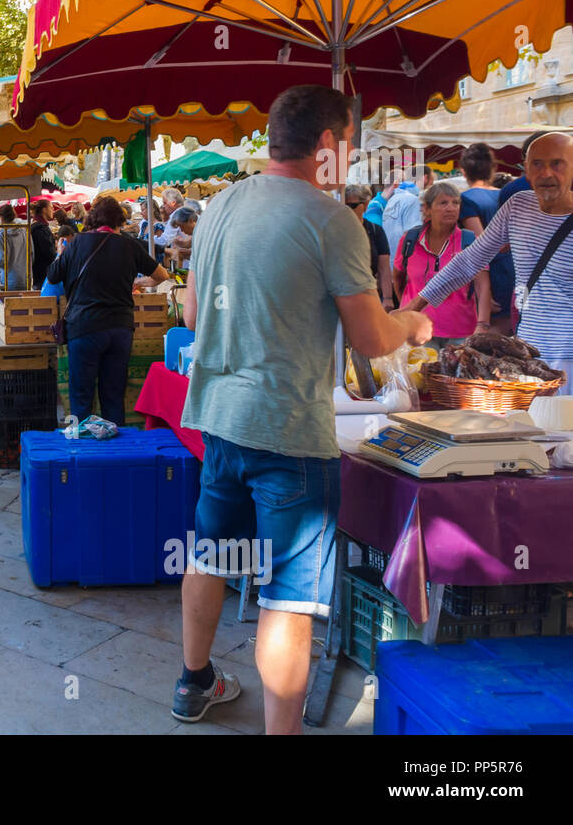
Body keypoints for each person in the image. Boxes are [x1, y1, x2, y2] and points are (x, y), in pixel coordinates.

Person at [176, 85, 431, 734]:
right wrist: (415, 323)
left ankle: (193, 681)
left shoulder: (218, 206)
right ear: (327, 146)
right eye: (348, 145)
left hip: (219, 419)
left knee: (211, 556)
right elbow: (373, 337)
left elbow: (191, 314)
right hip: (290, 431)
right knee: (289, 598)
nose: (349, 158)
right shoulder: (331, 218)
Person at [408, 132, 573, 393]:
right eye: (538, 164)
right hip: (528, 361)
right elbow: (470, 260)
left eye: (557, 164)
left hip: (569, 361)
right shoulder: (517, 206)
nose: (546, 173)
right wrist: (414, 306)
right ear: (526, 170)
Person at [46, 195, 167, 425]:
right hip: (120, 329)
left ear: (92, 218)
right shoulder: (130, 245)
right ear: (118, 221)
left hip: (85, 328)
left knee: (82, 397)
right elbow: (162, 275)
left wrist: (62, 252)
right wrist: (138, 283)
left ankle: (83, 452)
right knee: (113, 397)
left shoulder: (78, 243)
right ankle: (116, 452)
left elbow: (53, 276)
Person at [393, 180, 492, 348]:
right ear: (427, 209)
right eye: (443, 203)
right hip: (416, 330)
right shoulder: (410, 240)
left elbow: (483, 286)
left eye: (455, 203)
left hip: (460, 332)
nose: (451, 208)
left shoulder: (468, 241)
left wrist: (482, 324)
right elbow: (398, 279)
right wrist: (408, 307)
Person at [457, 143, 515, 334]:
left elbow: (483, 244)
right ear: (493, 168)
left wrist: (483, 291)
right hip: (513, 270)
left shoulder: (466, 200)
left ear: (463, 172)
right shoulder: (504, 195)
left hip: (492, 274)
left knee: (491, 340)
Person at [344, 185, 395, 310]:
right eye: (343, 206)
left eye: (352, 206)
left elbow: (384, 268)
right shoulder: (334, 231)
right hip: (341, 296)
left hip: (368, 295)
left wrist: (388, 298)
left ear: (366, 205)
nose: (346, 210)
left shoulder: (375, 230)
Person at [380, 165, 432, 259]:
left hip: (392, 262)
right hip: (404, 264)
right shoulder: (412, 200)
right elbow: (413, 237)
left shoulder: (394, 198)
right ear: (425, 178)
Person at [0, 203, 29, 290]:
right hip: (26, 278)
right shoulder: (25, 232)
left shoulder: (1, 235)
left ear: (1, 217)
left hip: (9, 281)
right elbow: (32, 255)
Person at [29, 198, 57, 288]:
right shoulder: (41, 229)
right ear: (44, 210)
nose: (53, 210)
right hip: (43, 275)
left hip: (36, 273)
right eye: (51, 208)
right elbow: (48, 253)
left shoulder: (34, 225)